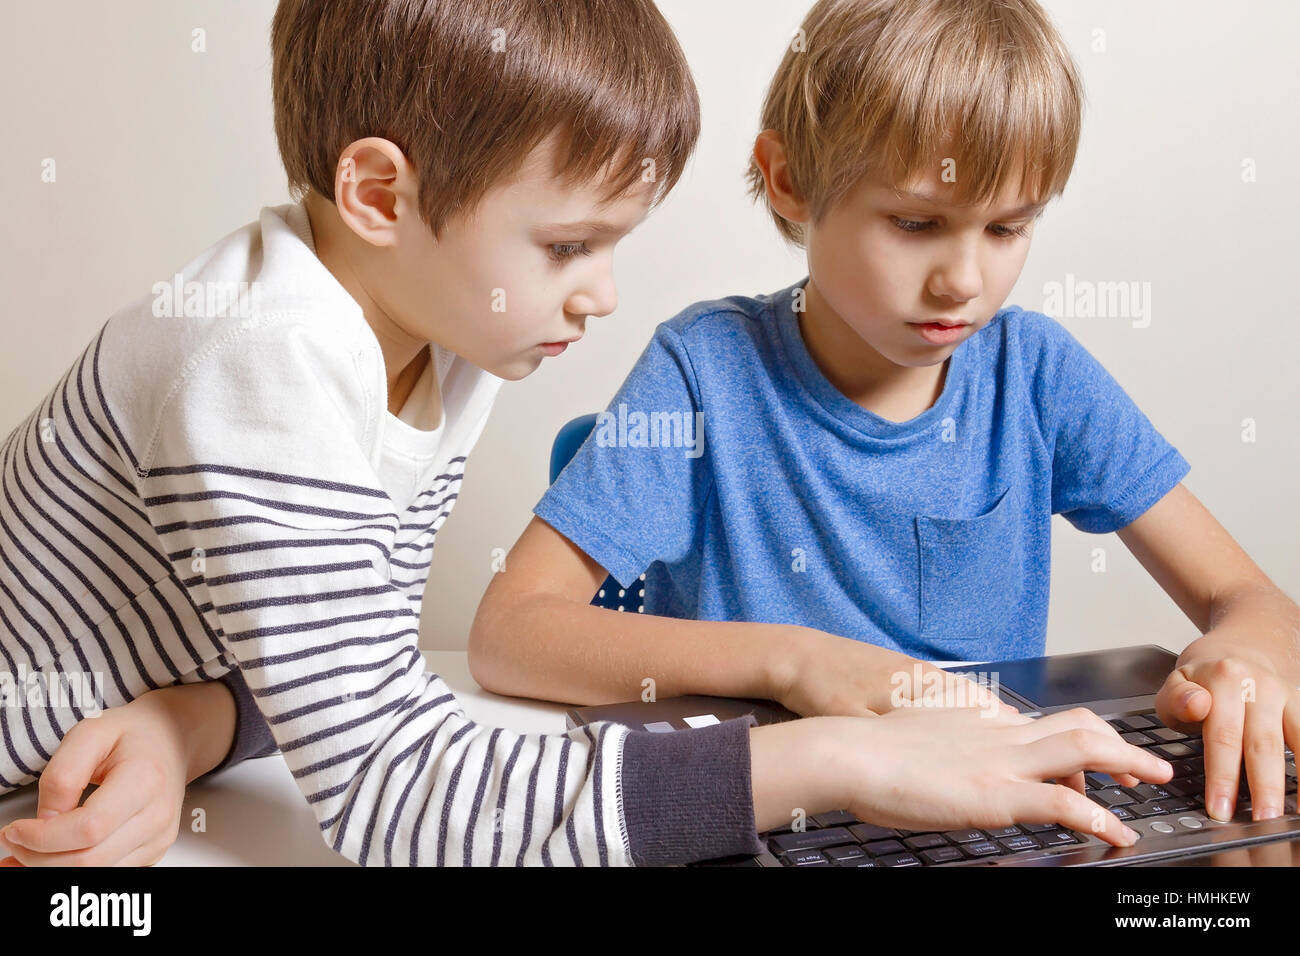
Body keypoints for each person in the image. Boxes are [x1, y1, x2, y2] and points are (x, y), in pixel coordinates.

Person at [0, 0, 1170, 868]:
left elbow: (330, 670)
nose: (601, 295)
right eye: (567, 246)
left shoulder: (439, 324)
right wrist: (839, 761)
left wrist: (185, 717)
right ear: (378, 196)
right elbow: (395, 799)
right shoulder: (262, 360)